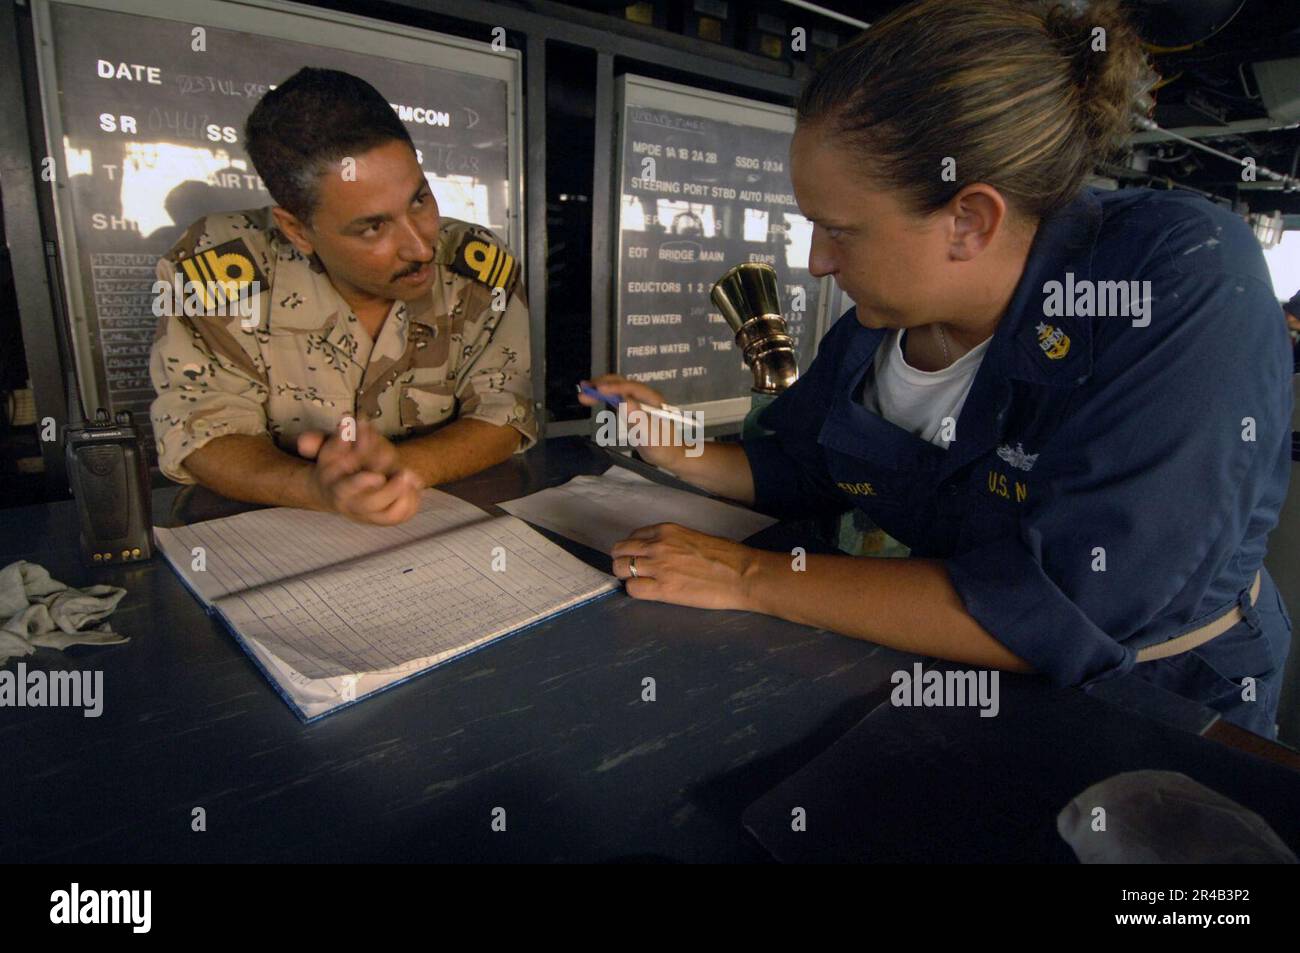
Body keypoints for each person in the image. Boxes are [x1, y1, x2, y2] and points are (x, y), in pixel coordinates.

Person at [580, 0, 1294, 738]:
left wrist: (747, 575)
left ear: (970, 220)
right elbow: (807, 467)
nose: (817, 262)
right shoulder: (883, 319)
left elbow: (1063, 606)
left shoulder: (1177, 279)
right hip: (942, 665)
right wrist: (679, 447)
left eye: (840, 231)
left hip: (1155, 696)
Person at [149, 68, 536, 526]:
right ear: (297, 229)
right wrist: (314, 488)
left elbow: (505, 410)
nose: (421, 245)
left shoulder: (476, 267)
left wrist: (397, 474)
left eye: (420, 200)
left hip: (437, 525)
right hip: (276, 533)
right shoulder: (219, 266)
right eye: (374, 226)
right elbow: (199, 427)